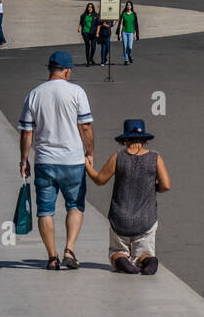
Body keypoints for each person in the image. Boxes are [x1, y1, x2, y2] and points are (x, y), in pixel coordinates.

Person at [18, 50, 94, 270]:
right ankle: (69, 249)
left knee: (45, 210)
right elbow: (86, 126)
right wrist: (89, 152)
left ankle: (52, 257)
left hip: (45, 161)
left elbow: (26, 133)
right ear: (67, 71)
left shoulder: (34, 94)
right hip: (73, 161)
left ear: (49, 69)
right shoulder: (77, 92)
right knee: (75, 205)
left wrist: (24, 160)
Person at [84, 119, 170, 275]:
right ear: (144, 138)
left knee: (116, 251)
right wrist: (153, 188)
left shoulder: (118, 157)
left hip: (120, 218)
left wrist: (86, 165)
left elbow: (99, 180)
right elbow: (166, 185)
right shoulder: (155, 158)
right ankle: (147, 260)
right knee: (144, 252)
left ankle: (121, 260)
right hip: (146, 218)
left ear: (125, 139)